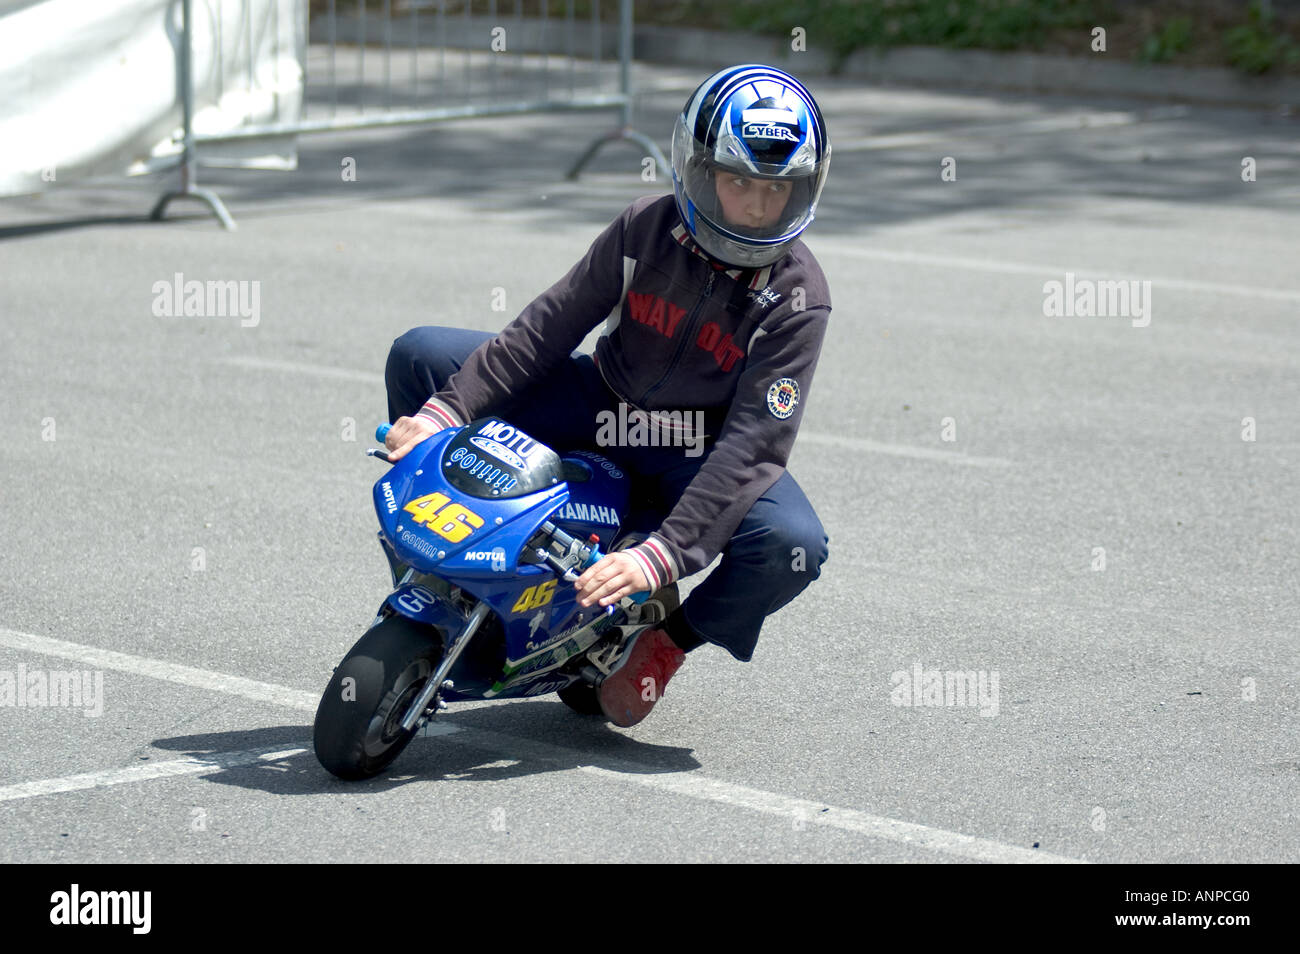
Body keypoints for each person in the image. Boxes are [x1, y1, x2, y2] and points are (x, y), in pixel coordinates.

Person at [383, 64, 832, 728]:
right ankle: (432, 576)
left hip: (693, 449)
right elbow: (549, 325)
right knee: (421, 356)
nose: (759, 207)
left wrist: (663, 555)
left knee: (793, 542)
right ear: (702, 170)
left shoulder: (798, 296)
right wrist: (443, 414)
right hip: (601, 398)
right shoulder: (645, 228)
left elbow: (753, 443)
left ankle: (666, 640)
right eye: (739, 183)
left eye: (777, 189)